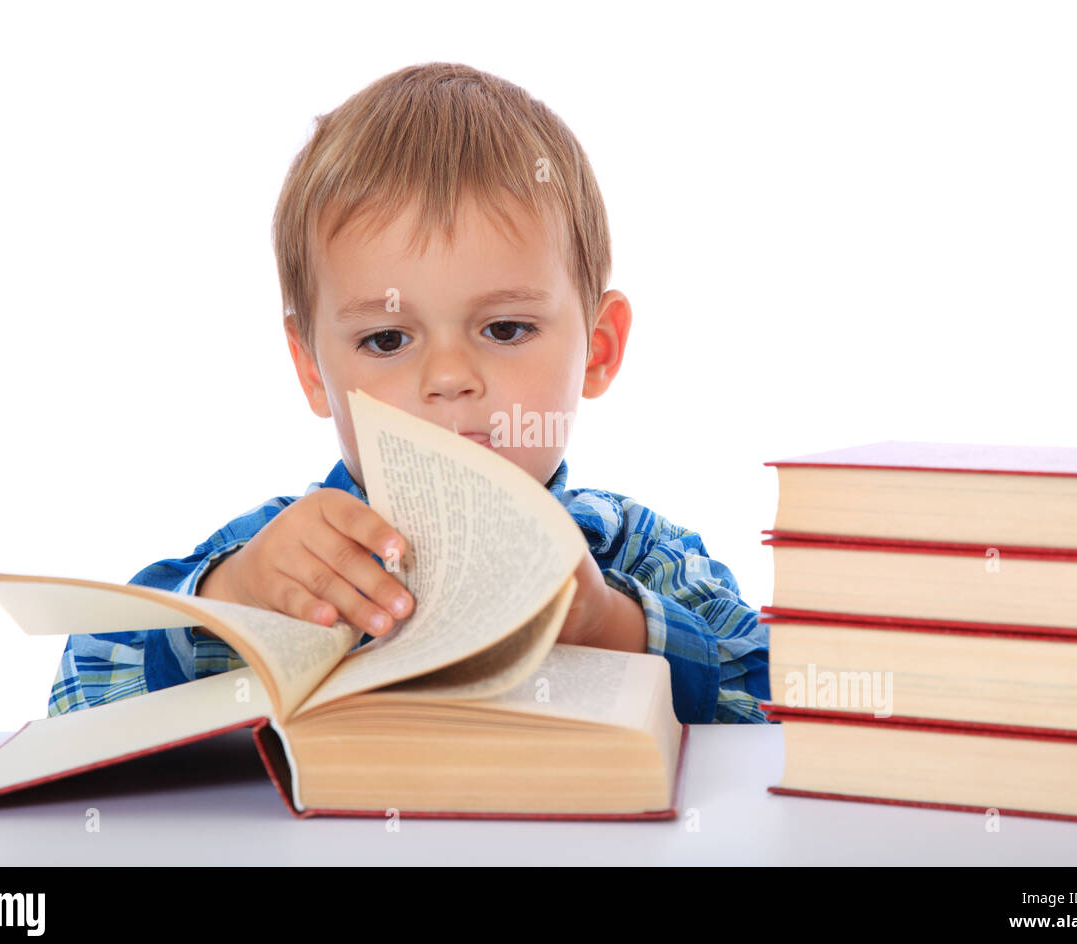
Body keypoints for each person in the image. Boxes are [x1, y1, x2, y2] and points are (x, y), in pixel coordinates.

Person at [49, 61, 770, 724]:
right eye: (388, 340)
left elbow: (781, 711)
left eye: (507, 327)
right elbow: (78, 703)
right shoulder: (279, 562)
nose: (448, 379)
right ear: (311, 370)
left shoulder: (641, 555)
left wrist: (607, 623)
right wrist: (234, 599)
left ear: (599, 349)